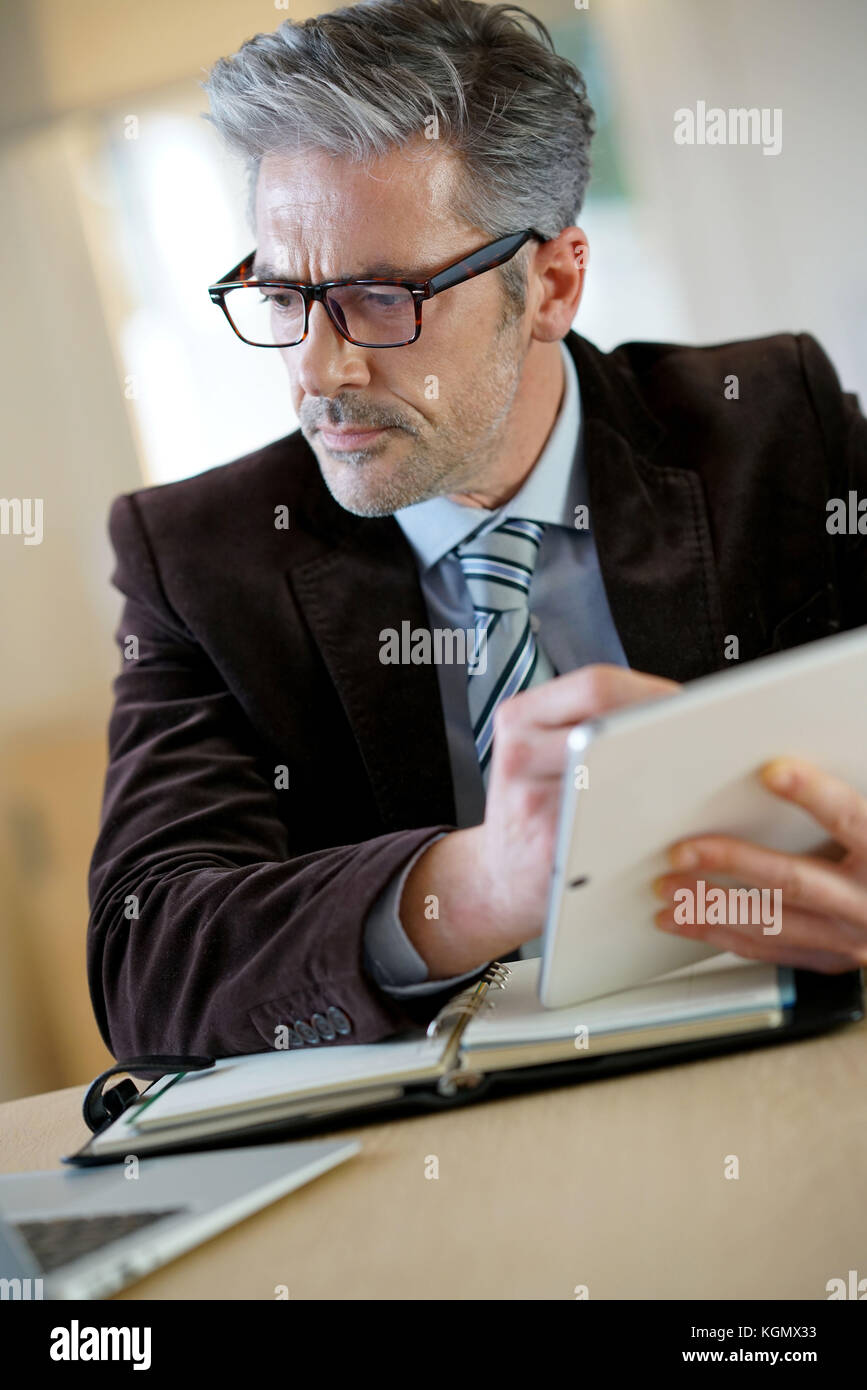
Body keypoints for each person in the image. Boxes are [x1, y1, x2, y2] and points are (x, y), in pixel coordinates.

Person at [87, 0, 867, 1060]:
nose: (320, 370)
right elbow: (151, 965)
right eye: (284, 295)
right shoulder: (200, 557)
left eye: (379, 295)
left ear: (550, 283)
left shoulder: (781, 426)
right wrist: (489, 880)